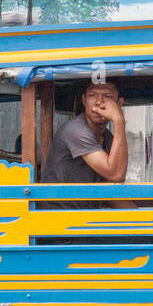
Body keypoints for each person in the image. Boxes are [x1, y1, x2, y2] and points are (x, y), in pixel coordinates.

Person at [39, 82, 128, 210]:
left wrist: (145, 221)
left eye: (107, 96)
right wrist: (119, 121)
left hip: (84, 216)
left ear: (119, 103)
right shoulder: (75, 130)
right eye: (92, 96)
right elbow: (116, 174)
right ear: (84, 101)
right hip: (58, 218)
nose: (99, 102)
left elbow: (110, 190)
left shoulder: (108, 137)